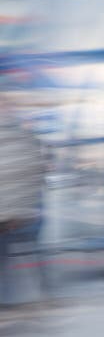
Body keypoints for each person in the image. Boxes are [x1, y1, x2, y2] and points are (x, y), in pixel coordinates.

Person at [0, 92, 47, 309]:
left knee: (6, 257)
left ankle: (9, 302)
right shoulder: (28, 137)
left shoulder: (25, 138)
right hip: (19, 213)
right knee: (13, 256)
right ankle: (24, 298)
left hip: (11, 213)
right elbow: (38, 173)